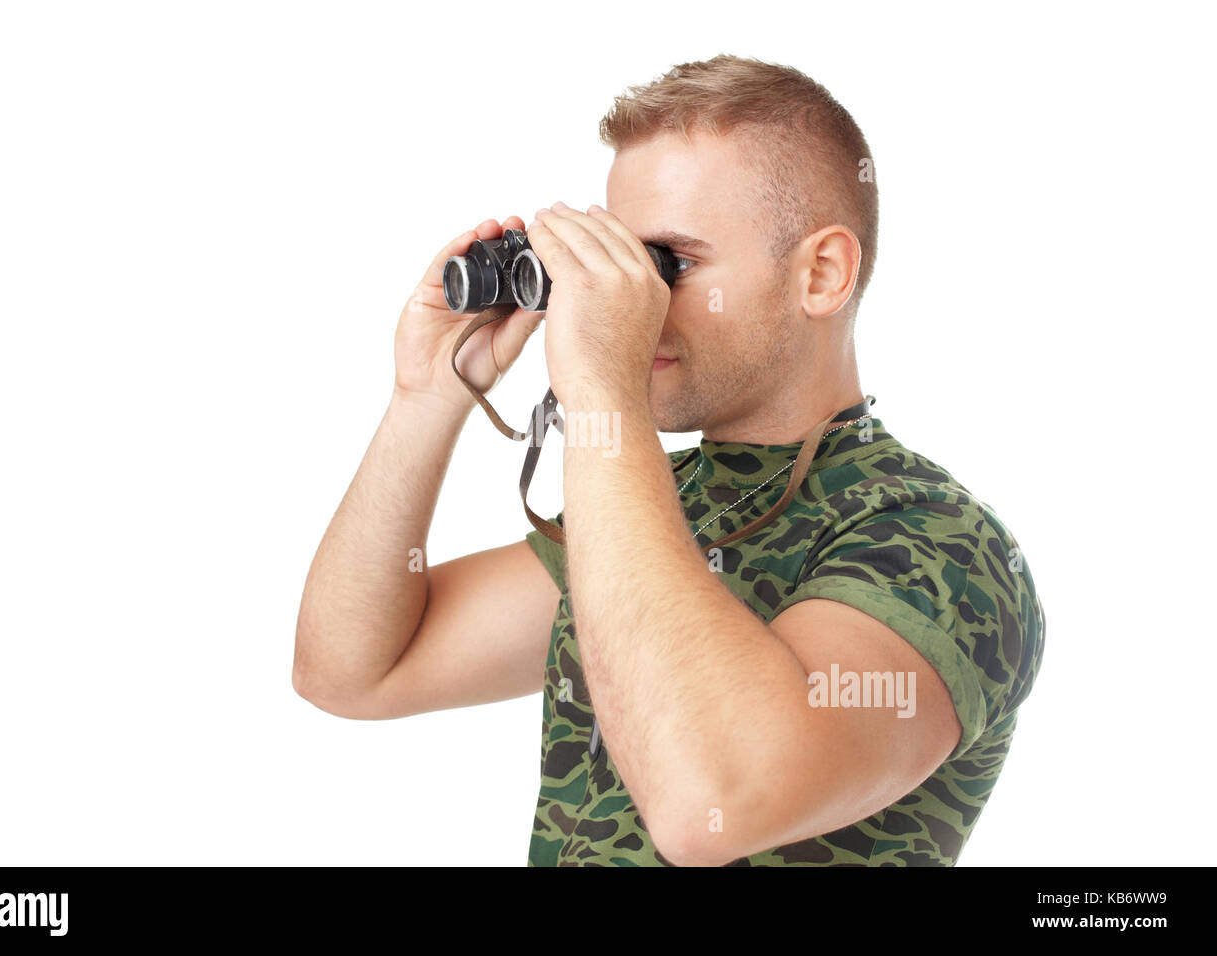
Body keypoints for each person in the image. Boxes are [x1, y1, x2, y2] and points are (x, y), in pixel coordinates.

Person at [292, 54, 1044, 867]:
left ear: (821, 273)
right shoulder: (654, 505)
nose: (630, 304)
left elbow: (709, 803)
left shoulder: (936, 541)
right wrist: (429, 394)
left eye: (669, 265)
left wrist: (604, 394)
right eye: (616, 262)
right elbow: (353, 670)